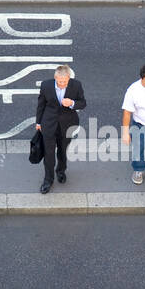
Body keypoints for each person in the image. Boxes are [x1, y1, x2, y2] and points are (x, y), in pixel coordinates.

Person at [35, 65, 86, 194]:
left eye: (65, 81)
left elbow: (83, 103)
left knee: (63, 151)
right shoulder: (46, 86)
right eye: (60, 81)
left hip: (67, 124)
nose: (62, 84)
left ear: (69, 78)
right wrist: (38, 122)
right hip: (49, 124)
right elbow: (41, 104)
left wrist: (72, 103)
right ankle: (48, 180)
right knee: (49, 154)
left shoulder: (76, 85)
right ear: (55, 77)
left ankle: (61, 171)